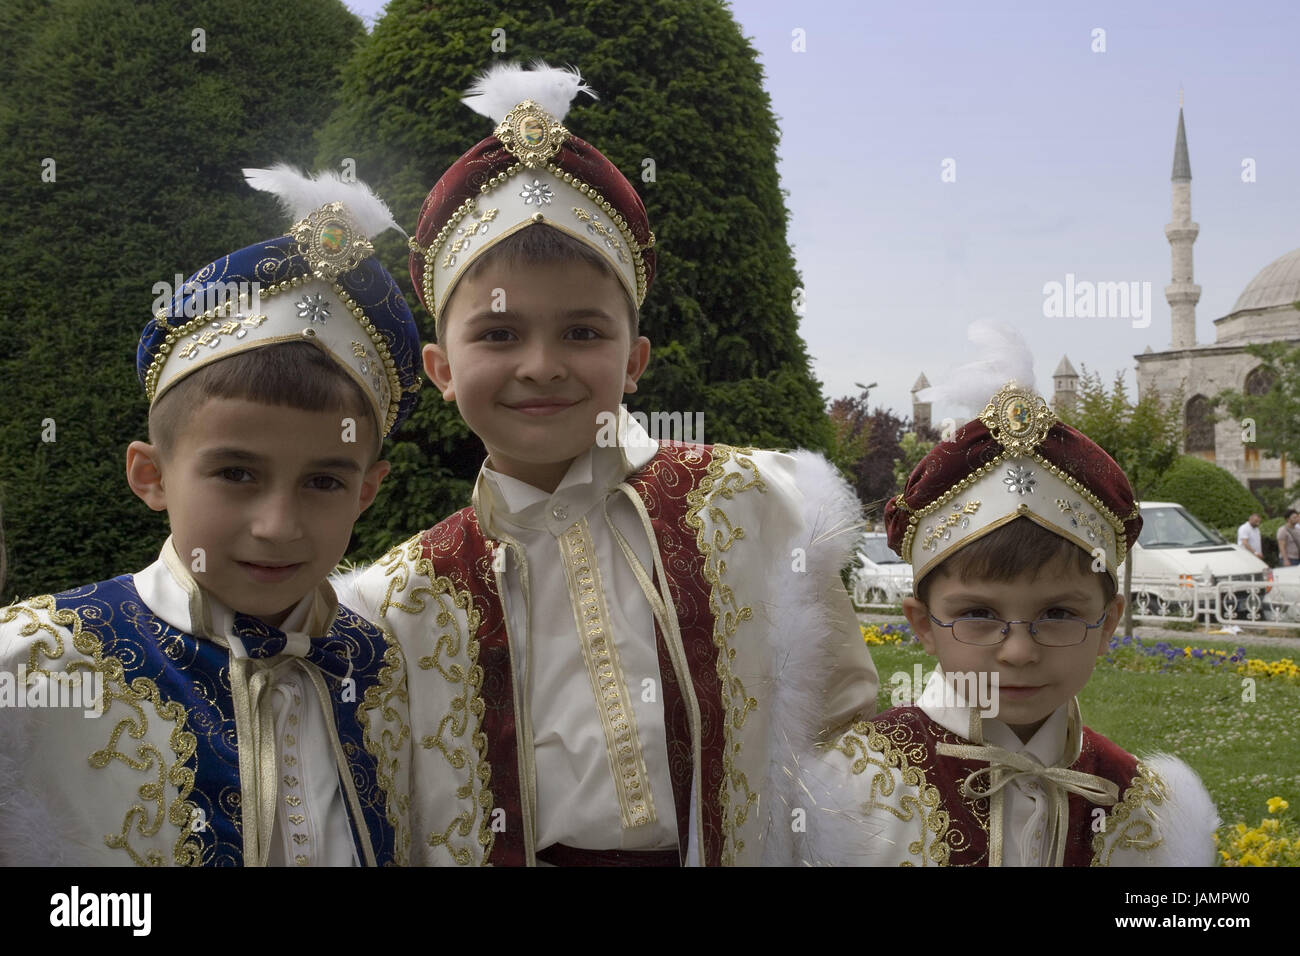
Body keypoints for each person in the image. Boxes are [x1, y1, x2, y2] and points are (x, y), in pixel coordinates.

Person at [338, 62, 879, 866]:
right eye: (497, 334)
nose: (541, 365)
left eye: (583, 333)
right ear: (441, 369)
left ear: (636, 360)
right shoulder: (406, 596)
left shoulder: (759, 509)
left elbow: (848, 732)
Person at [0, 168, 422, 866]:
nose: (277, 524)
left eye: (323, 480)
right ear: (151, 475)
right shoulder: (31, 663)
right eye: (236, 474)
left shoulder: (383, 668)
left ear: (367, 492)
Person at [795, 383, 1218, 865]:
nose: (1018, 652)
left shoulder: (1144, 810)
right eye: (978, 614)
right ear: (924, 624)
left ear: (1107, 625)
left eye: (1058, 614)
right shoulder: (849, 789)